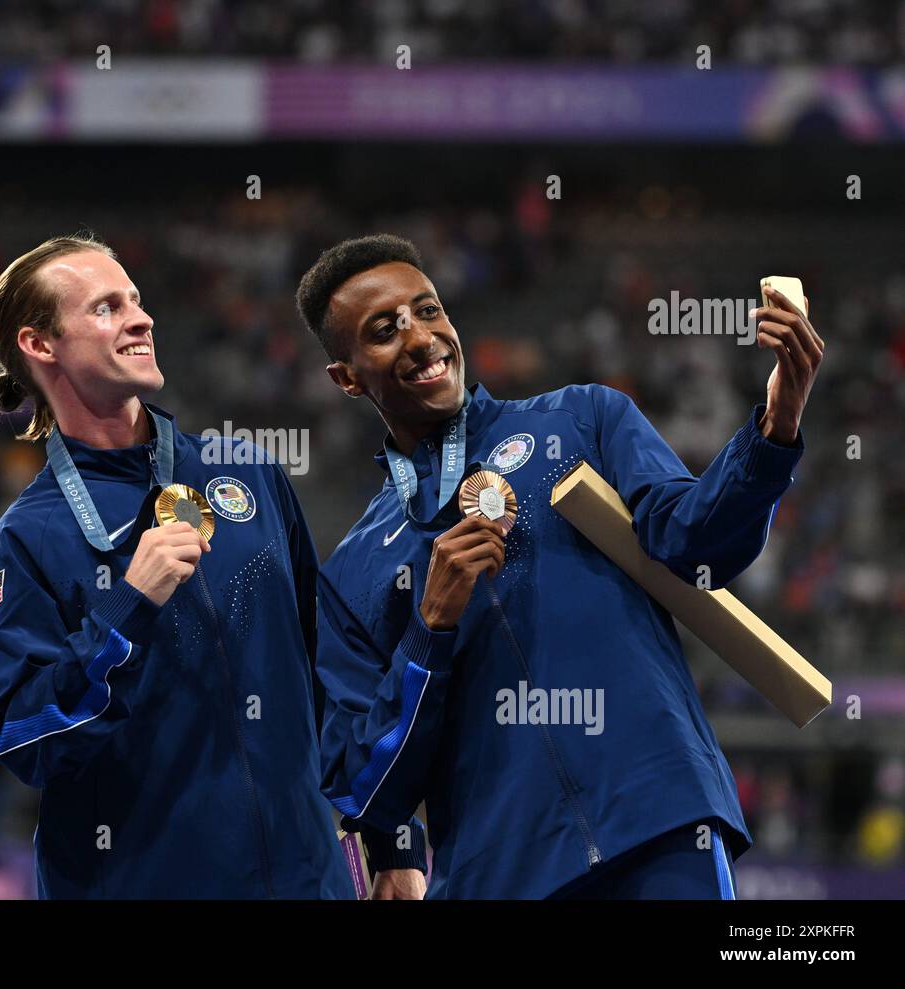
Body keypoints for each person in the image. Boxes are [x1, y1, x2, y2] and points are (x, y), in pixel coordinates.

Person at [296, 234, 823, 899]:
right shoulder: (350, 577)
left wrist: (776, 425)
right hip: (502, 874)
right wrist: (430, 628)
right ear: (346, 376)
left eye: (428, 311)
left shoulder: (582, 419)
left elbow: (698, 545)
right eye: (384, 331)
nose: (421, 337)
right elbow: (364, 784)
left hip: (660, 822)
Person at [0, 234, 426, 898]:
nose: (141, 317)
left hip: (307, 881)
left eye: (135, 299)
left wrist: (390, 834)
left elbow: (331, 664)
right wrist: (127, 605)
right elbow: (19, 735)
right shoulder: (31, 535)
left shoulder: (244, 468)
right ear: (41, 346)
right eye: (106, 307)